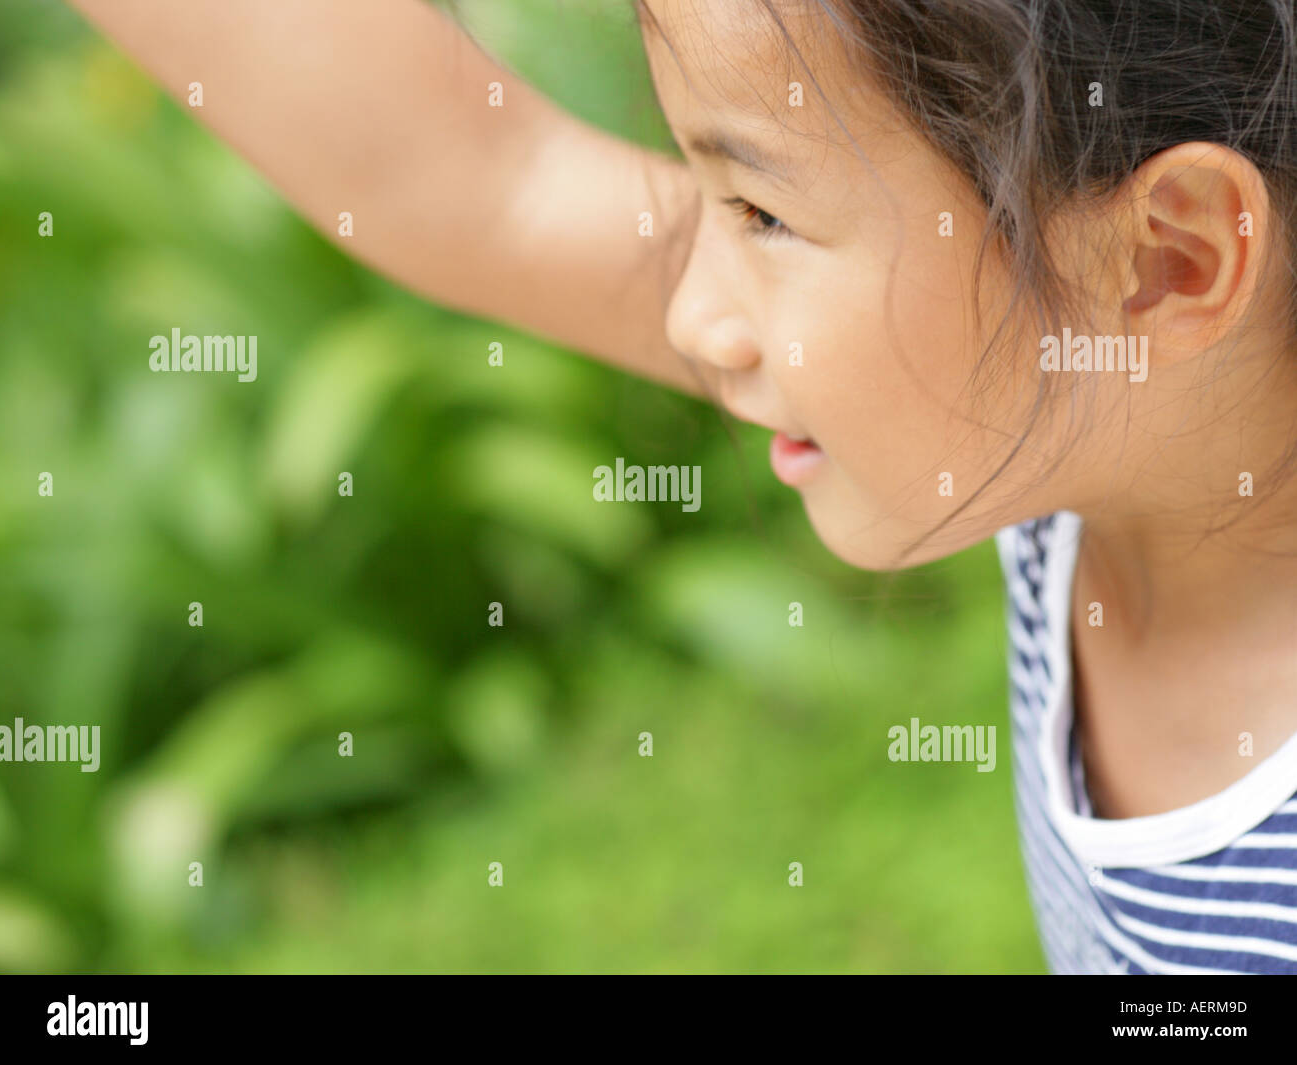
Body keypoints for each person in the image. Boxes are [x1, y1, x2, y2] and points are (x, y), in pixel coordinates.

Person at [67, 0, 1297, 973]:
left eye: (759, 209)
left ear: (1167, 262)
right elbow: (481, 182)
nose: (699, 315)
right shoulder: (1078, 421)